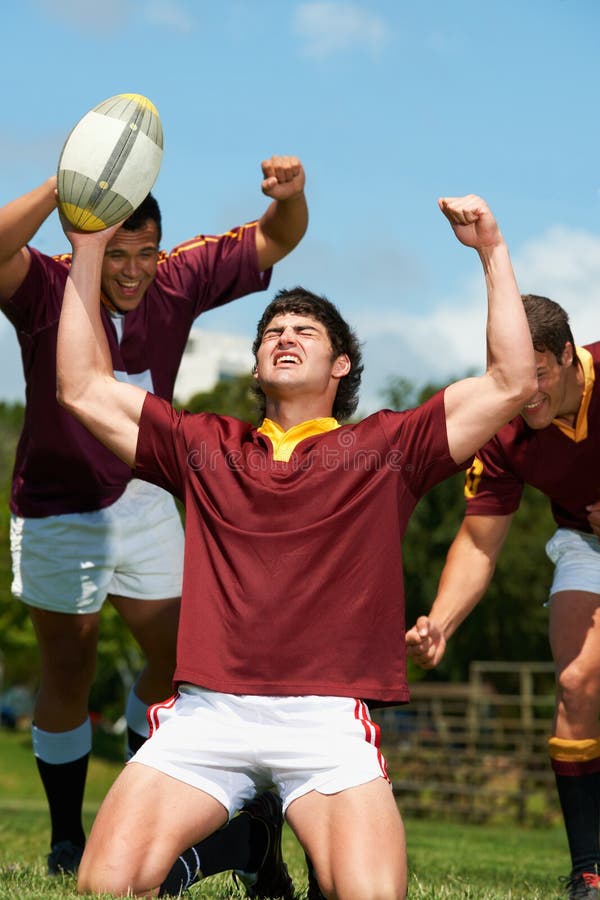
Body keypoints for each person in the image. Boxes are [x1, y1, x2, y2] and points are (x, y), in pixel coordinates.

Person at [56, 193, 535, 900]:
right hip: (209, 715)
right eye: (272, 330)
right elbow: (80, 386)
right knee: (107, 885)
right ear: (255, 366)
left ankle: (267, 830)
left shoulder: (387, 448)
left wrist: (492, 251)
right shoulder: (203, 445)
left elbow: (511, 383)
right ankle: (251, 834)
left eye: (305, 330)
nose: (284, 334)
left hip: (324, 722)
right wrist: (89, 248)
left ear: (341, 367)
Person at [0, 155, 307, 876]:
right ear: (91, 245)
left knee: (180, 662)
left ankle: (143, 812)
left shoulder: (178, 279)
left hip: (141, 498)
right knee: (68, 671)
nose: (133, 272)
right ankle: (66, 835)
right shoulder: (48, 285)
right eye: (116, 254)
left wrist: (292, 197)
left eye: (145, 253)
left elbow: (278, 237)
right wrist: (63, 189)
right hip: (54, 506)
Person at [405, 294, 600, 899]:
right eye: (514, 375)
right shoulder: (502, 427)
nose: (527, 390)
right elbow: (480, 543)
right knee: (575, 685)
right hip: (585, 541)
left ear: (569, 357)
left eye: (537, 372)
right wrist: (440, 623)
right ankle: (589, 870)